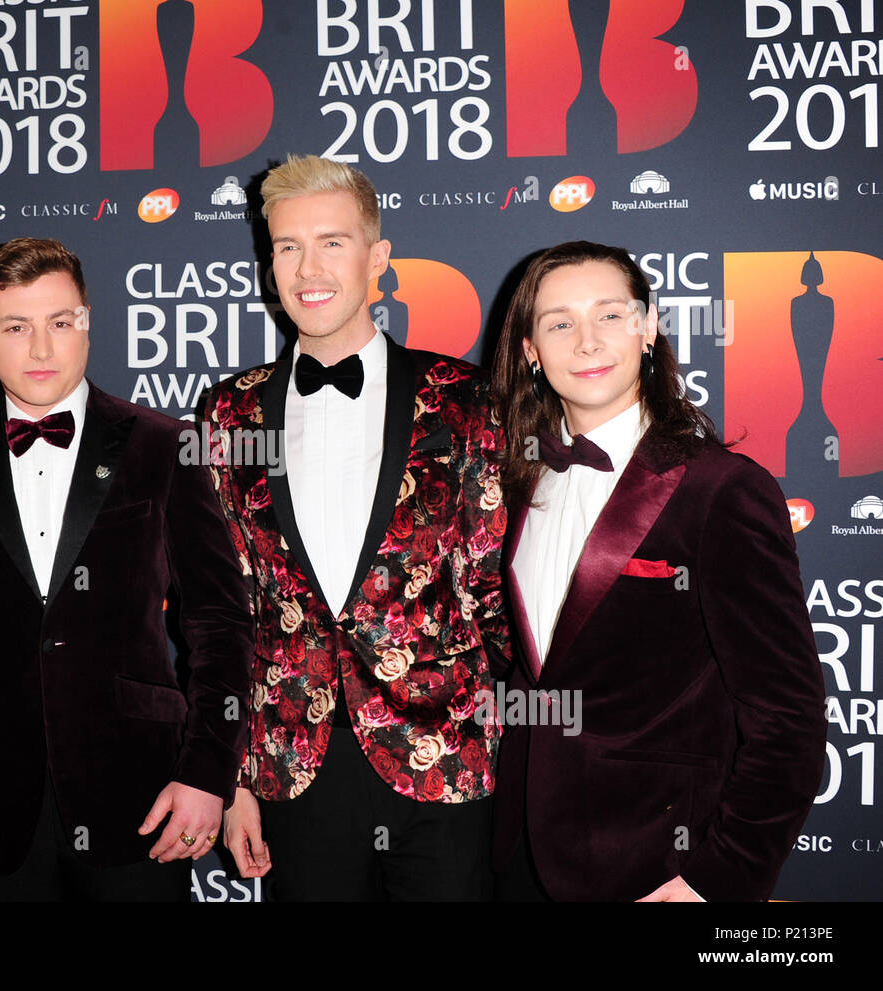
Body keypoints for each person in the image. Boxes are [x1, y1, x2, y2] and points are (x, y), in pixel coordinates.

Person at [0, 237, 252, 902]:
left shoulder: (166, 447)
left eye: (60, 322)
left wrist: (207, 771)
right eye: (16, 327)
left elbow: (220, 623)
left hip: (144, 800)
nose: (42, 349)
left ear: (87, 320)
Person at [201, 154, 509, 900]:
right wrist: (234, 776)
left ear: (377, 259)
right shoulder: (230, 412)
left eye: (332, 242)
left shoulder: (463, 397)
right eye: (287, 246)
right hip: (297, 771)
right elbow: (228, 610)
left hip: (444, 759)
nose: (309, 267)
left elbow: (494, 582)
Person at [489, 240, 826, 901]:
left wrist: (718, 876)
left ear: (647, 328)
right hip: (520, 854)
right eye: (559, 323)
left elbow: (789, 715)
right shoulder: (519, 477)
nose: (587, 341)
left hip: (657, 867)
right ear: (531, 349)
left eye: (610, 315)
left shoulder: (721, 490)